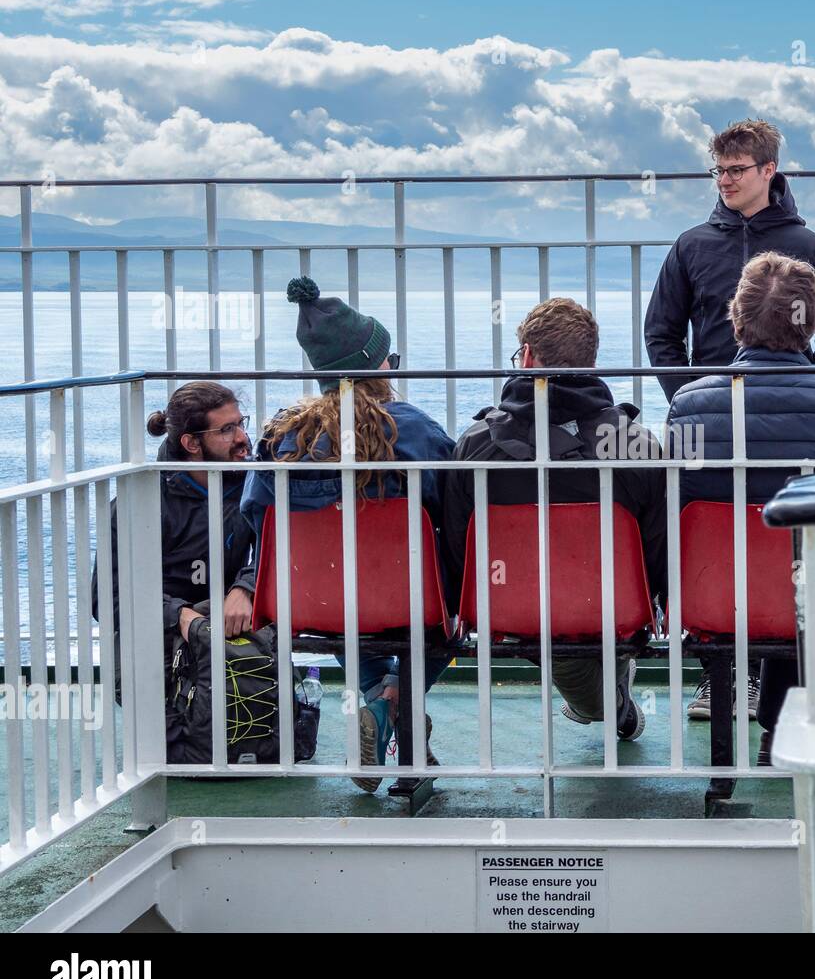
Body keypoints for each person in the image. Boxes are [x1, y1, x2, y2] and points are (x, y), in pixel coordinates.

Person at [240, 277, 456, 792]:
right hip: (409, 601)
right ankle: (396, 702)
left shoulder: (279, 440)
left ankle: (383, 699)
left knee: (345, 586)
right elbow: (456, 518)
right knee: (450, 600)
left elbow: (255, 521)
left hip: (314, 603)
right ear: (380, 367)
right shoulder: (418, 433)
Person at [665, 251, 815, 763]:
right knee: (806, 560)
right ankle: (782, 727)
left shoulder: (686, 406)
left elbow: (672, 501)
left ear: (736, 320)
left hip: (709, 597)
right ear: (812, 324)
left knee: (759, 562)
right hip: (812, 599)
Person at [441, 297, 666, 741]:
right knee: (591, 608)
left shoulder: (474, 446)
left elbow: (455, 548)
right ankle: (613, 690)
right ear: (592, 362)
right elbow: (657, 551)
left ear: (526, 355)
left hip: (505, 609)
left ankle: (608, 698)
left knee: (559, 623)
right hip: (613, 608)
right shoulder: (637, 445)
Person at [644, 118, 815, 403]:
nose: (723, 181)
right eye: (719, 171)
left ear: (768, 169)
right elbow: (661, 333)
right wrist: (687, 395)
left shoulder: (809, 246)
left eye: (736, 170)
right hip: (712, 401)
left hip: (791, 402)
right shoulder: (690, 246)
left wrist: (812, 391)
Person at [92, 380, 257, 693]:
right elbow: (107, 597)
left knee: (275, 704)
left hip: (229, 626)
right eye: (226, 430)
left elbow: (278, 550)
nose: (242, 439)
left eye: (240, 424)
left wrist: (245, 587)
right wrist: (178, 615)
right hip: (155, 637)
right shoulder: (142, 500)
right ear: (192, 444)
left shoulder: (253, 484)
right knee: (170, 717)